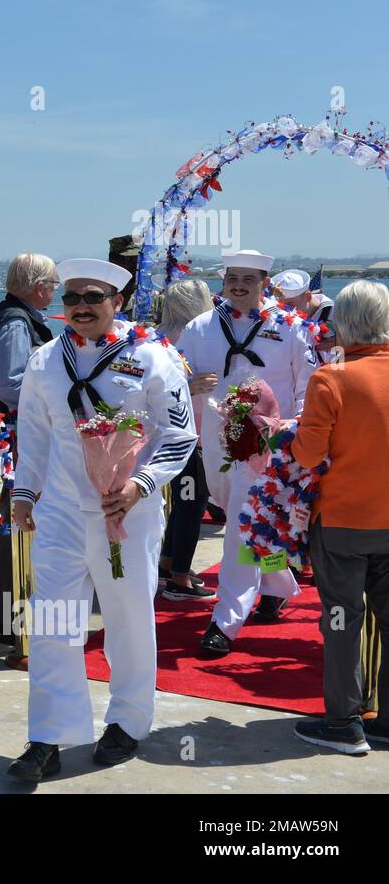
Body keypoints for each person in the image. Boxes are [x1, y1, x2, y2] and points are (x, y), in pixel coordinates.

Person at [7, 258, 197, 782]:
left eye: (93, 297)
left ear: (118, 302)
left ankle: (128, 721)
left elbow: (179, 434)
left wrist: (142, 485)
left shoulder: (153, 357)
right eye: (71, 299)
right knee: (53, 622)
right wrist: (24, 493)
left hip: (127, 513)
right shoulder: (46, 361)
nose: (81, 308)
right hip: (62, 512)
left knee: (128, 618)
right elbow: (36, 435)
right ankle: (48, 735)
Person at [176, 249, 317, 655]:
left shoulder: (290, 328)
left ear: (263, 284)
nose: (239, 285)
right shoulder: (201, 326)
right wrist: (190, 386)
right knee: (250, 523)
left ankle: (226, 619)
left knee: (241, 526)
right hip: (215, 442)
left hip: (268, 447)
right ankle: (278, 582)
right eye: (232, 277)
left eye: (248, 278)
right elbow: (171, 379)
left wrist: (297, 433)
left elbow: (308, 384)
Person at [291, 280, 389, 754]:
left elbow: (308, 455)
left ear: (342, 323)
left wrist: (283, 438)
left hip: (344, 523)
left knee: (340, 620)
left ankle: (343, 722)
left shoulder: (331, 378)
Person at [0, 252, 58, 648]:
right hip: (16, 439)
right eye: (53, 285)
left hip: (19, 436)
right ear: (38, 286)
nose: (56, 293)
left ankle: (7, 618)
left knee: (16, 523)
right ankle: (11, 621)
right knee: (18, 524)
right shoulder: (15, 322)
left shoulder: (14, 317)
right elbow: (10, 384)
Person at [156, 278, 217, 602]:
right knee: (194, 504)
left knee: (184, 503)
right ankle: (179, 576)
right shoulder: (195, 336)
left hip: (173, 433)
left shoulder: (158, 337)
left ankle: (169, 562)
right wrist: (191, 385)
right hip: (193, 434)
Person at [273, 268, 337, 363]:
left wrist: (346, 343)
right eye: (281, 305)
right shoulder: (281, 317)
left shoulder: (336, 314)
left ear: (308, 296)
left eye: (289, 304)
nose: (285, 311)